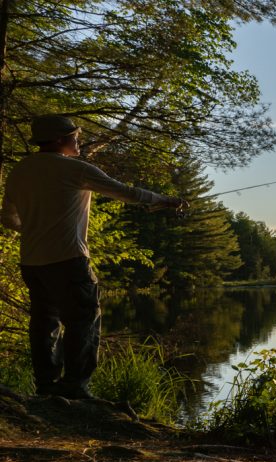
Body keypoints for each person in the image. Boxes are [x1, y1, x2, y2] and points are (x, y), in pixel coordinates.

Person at [0, 114, 186, 399]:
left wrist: (35, 226)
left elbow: (8, 219)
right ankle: (75, 387)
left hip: (32, 263)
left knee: (44, 324)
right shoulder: (75, 169)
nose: (79, 140)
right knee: (84, 319)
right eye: (75, 136)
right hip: (68, 260)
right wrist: (164, 201)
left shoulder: (19, 172)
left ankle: (47, 387)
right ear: (62, 139)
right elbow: (126, 192)